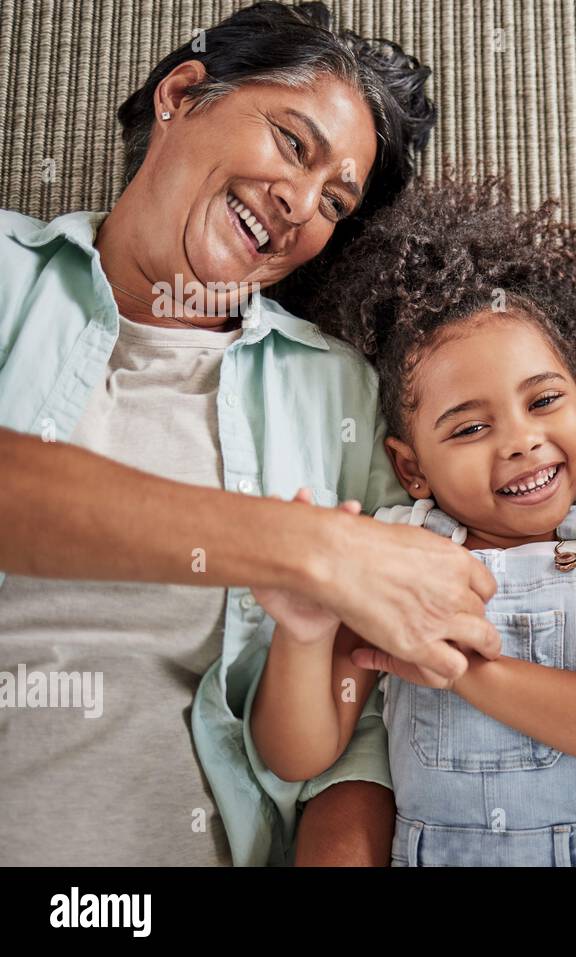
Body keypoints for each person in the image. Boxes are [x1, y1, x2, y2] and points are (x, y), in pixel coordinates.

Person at [0, 2, 498, 867]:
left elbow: (355, 742)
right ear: (183, 93)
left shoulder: (339, 393)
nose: (301, 204)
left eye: (335, 202)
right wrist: (302, 546)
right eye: (293, 145)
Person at [249, 173, 576, 865]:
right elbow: (298, 753)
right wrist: (303, 635)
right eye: (469, 428)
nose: (519, 440)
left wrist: (458, 669)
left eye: (543, 401)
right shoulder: (392, 548)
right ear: (411, 468)